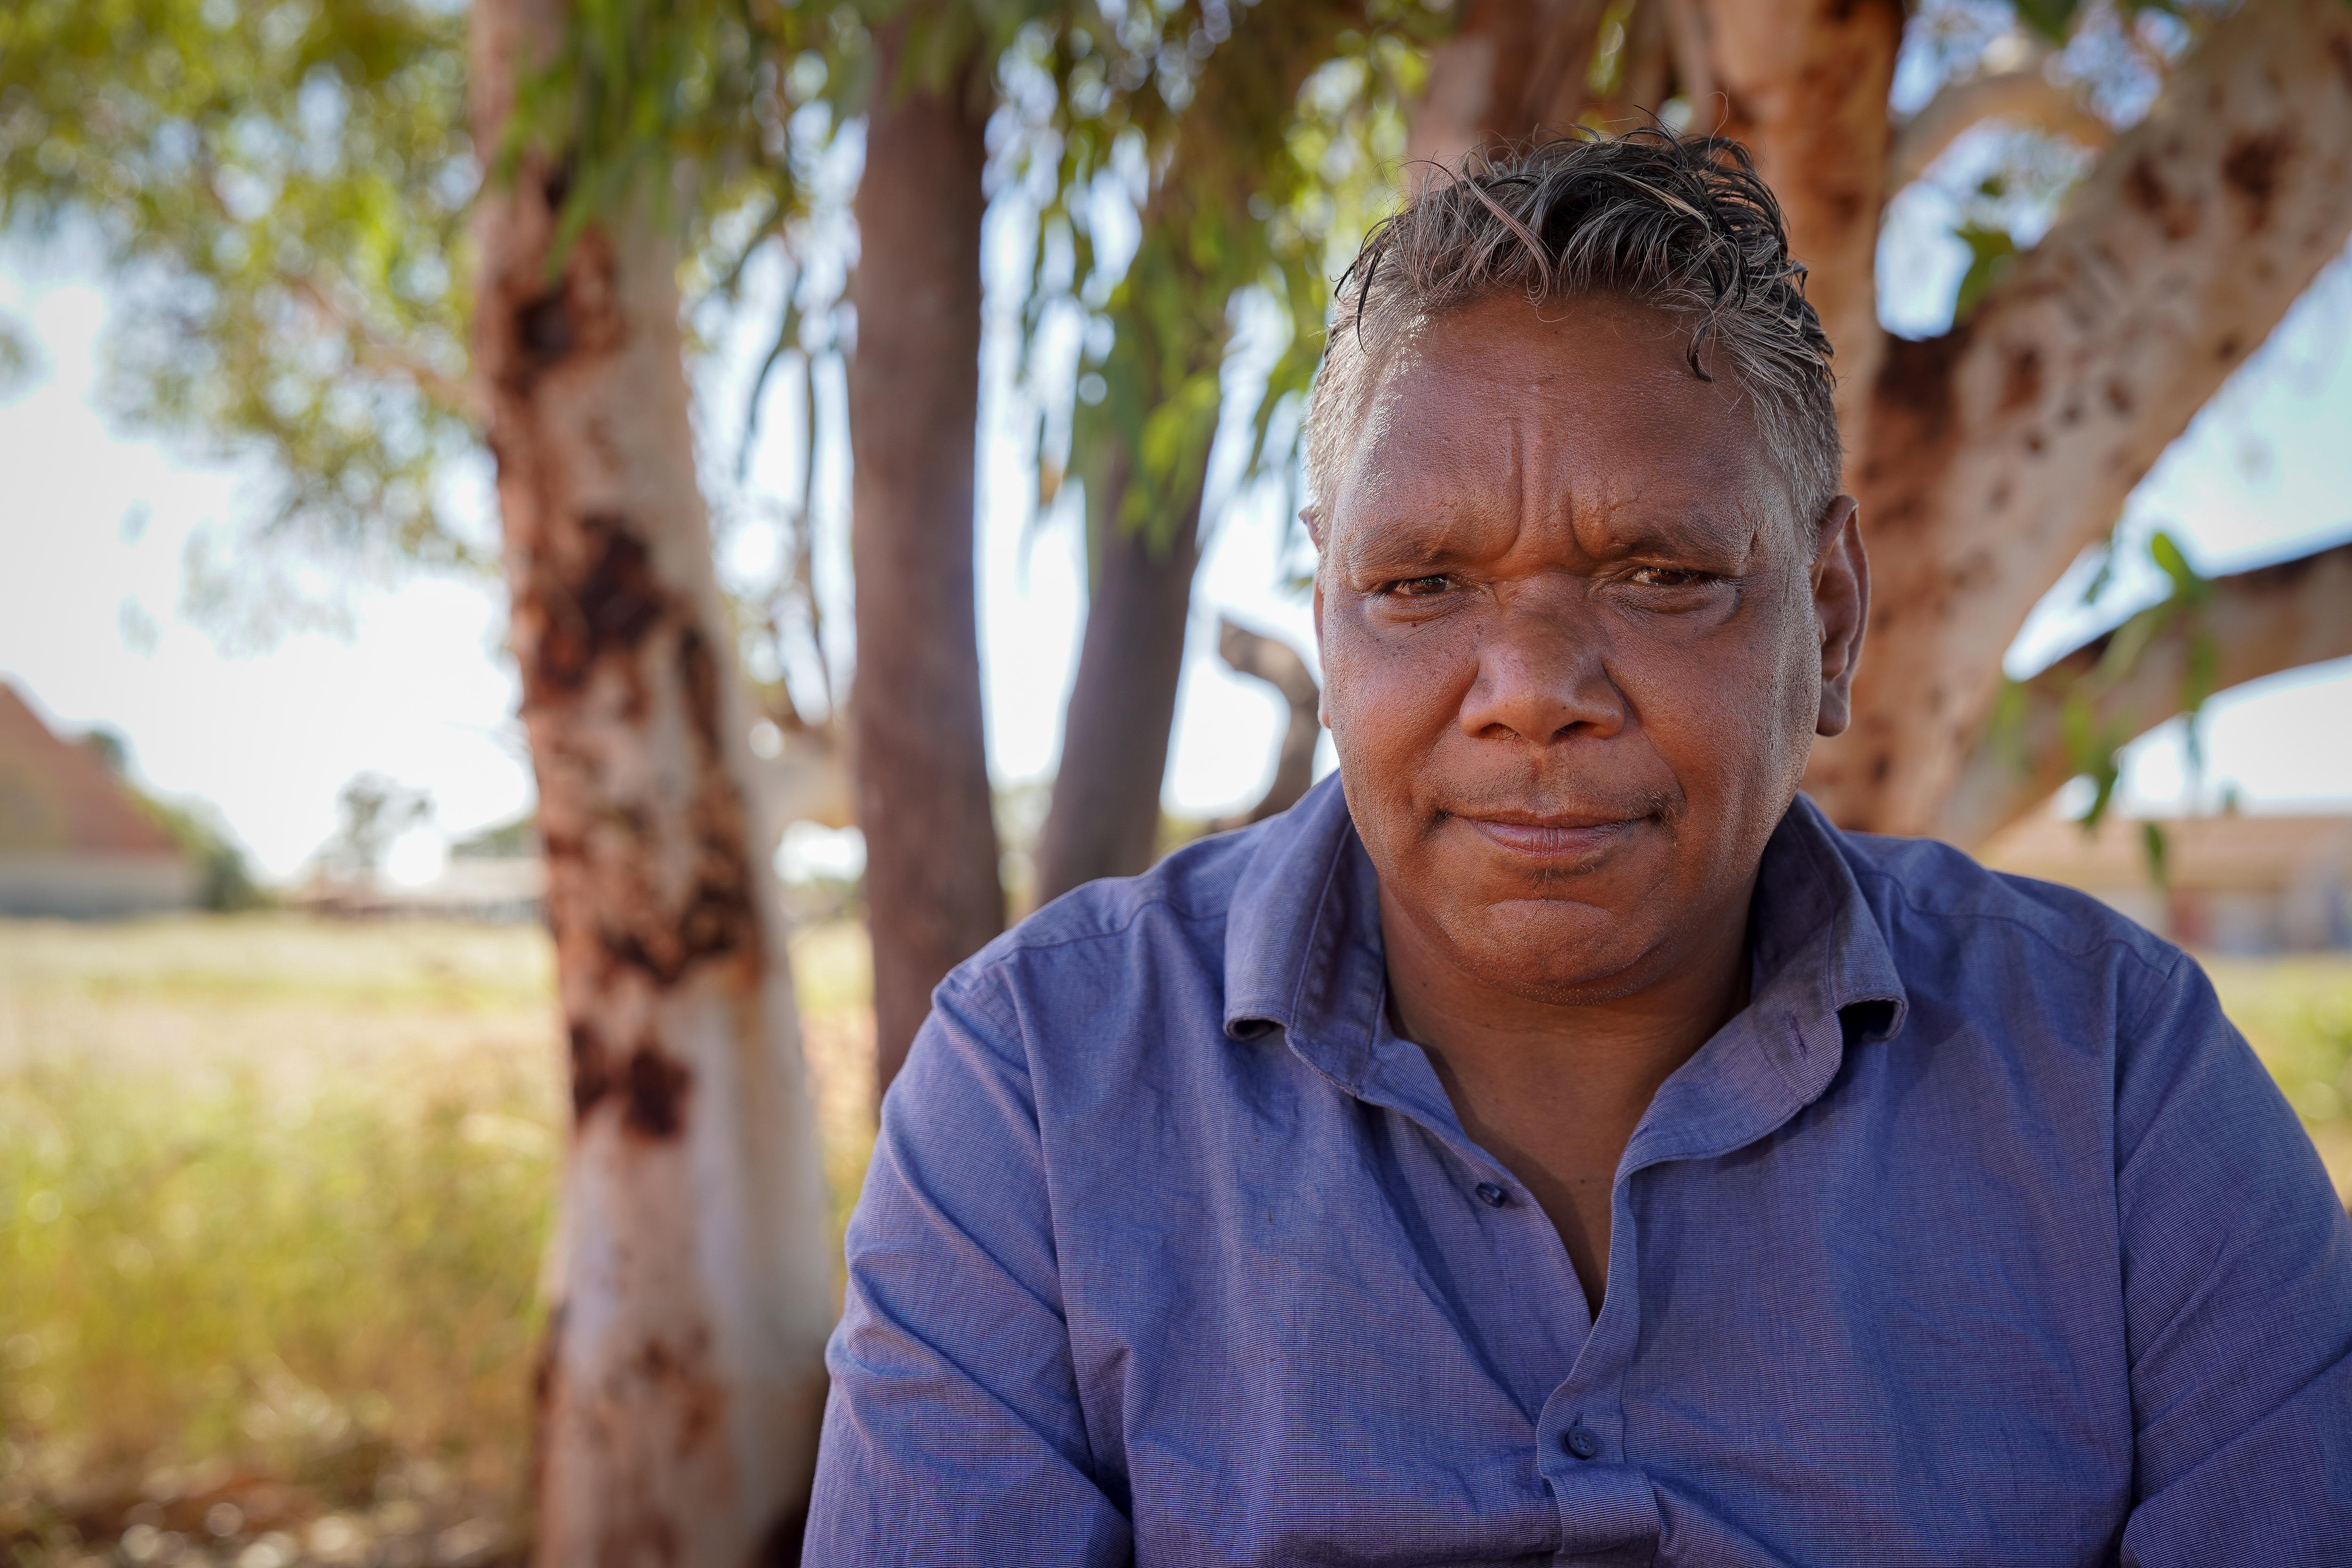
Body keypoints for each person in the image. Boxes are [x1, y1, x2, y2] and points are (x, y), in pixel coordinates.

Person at [802, 130, 2352, 1565]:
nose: (1534, 688)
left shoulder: (2113, 1075)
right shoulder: (1039, 1086)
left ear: (1827, 614)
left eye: (1661, 572)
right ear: (1331, 626)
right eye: (1422, 584)